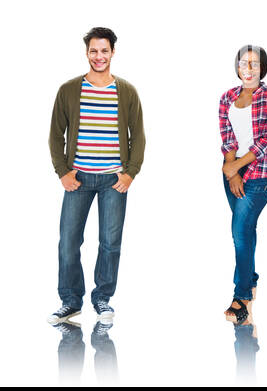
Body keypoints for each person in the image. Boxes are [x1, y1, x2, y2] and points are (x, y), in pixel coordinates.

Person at [48, 27, 146, 328]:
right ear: (86, 52)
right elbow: (55, 135)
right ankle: (70, 301)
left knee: (110, 243)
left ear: (113, 52)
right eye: (94, 51)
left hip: (113, 182)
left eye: (104, 51)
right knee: (68, 242)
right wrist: (63, 171)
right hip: (78, 179)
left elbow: (138, 137)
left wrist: (130, 173)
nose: (99, 56)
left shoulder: (126, 91)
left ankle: (103, 298)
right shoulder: (68, 90)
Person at [219, 45, 267, 324]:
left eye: (255, 64)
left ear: (262, 68)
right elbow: (227, 136)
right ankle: (252, 278)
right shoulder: (227, 97)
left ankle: (242, 296)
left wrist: (237, 166)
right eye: (244, 63)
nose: (249, 68)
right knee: (246, 230)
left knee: (240, 232)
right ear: (237, 67)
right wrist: (232, 170)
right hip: (232, 172)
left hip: (261, 172)